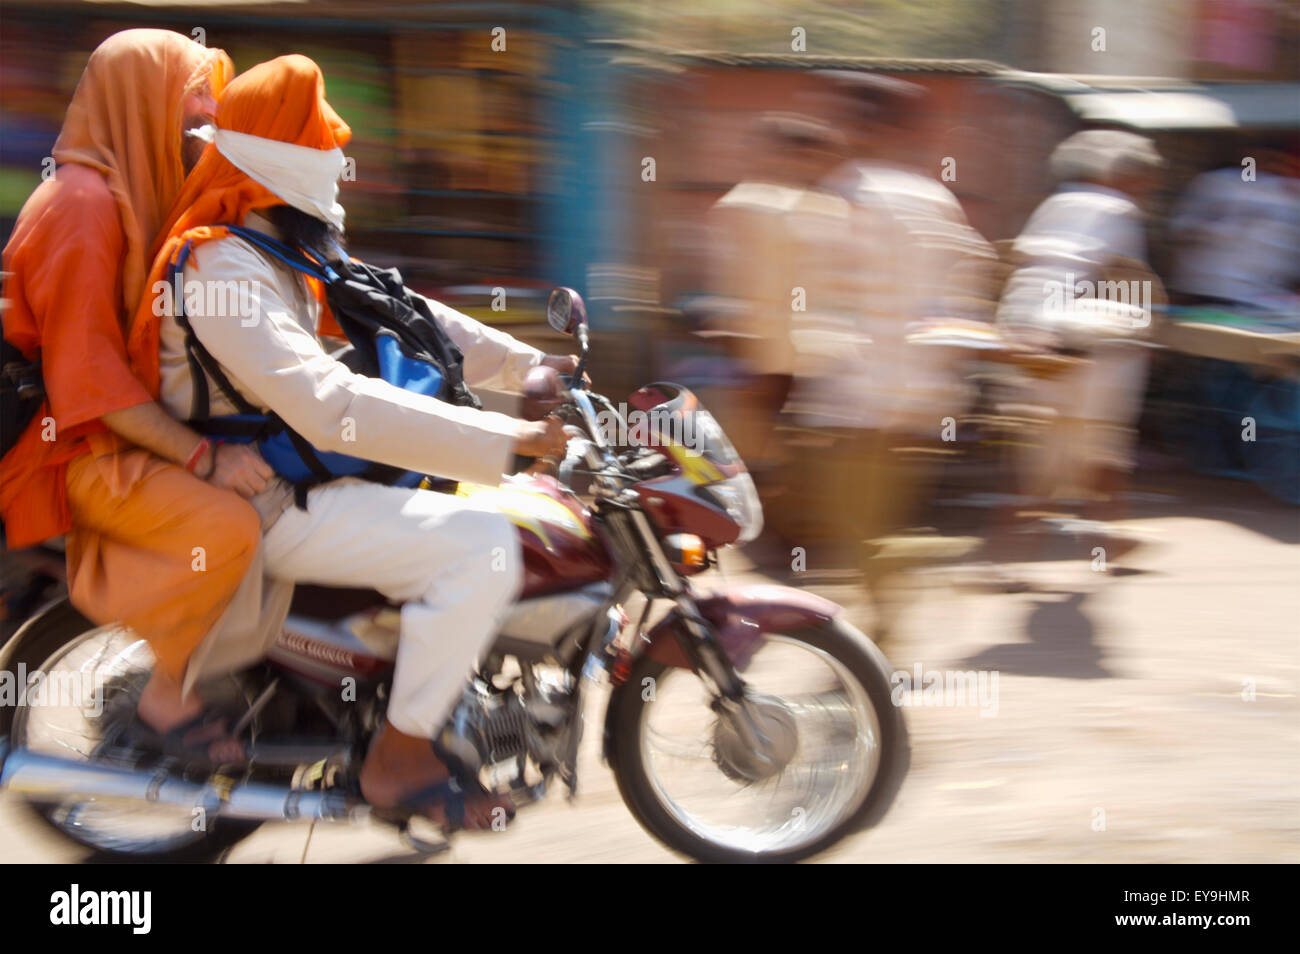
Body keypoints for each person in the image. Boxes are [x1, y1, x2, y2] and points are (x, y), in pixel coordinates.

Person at [131, 54, 574, 829]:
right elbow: (330, 406)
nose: (340, 160)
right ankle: (399, 760)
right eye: (324, 142)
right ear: (287, 160)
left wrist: (534, 366)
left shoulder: (278, 241)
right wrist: (509, 441)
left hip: (303, 482)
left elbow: (409, 317)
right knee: (484, 546)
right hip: (261, 500)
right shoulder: (220, 265)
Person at [0, 30, 270, 762]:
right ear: (140, 99)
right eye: (195, 90)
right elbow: (90, 386)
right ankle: (164, 692)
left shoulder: (134, 188)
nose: (209, 108)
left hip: (109, 431)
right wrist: (203, 457)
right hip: (71, 452)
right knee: (230, 526)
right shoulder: (82, 207)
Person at [993, 129, 1166, 562]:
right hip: (1081, 344)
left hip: (1026, 336)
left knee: (1053, 451)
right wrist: (1144, 334)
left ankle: (1104, 538)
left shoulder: (1057, 202)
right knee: (1091, 447)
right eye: (1142, 180)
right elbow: (1126, 282)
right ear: (1126, 178)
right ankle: (1016, 553)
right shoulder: (1118, 209)